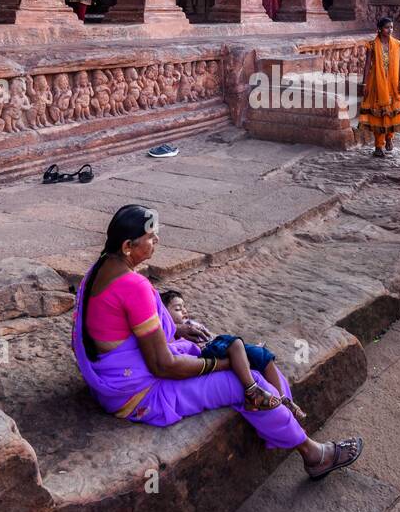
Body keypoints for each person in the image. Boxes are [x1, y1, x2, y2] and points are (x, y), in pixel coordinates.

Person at [71, 205, 362, 480]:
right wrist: (226, 364)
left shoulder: (99, 269)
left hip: (114, 383)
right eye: (151, 236)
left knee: (243, 361)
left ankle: (289, 420)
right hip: (139, 396)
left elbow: (121, 328)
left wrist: (177, 331)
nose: (157, 240)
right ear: (127, 246)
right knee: (246, 383)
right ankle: (313, 455)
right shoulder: (134, 286)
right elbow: (163, 365)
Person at [162, 290, 305, 420]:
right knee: (237, 345)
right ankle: (253, 393)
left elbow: (211, 337)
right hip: (206, 357)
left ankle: (283, 399)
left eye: (184, 307)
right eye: (178, 309)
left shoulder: (191, 324)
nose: (184, 312)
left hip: (217, 347)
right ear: (164, 314)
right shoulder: (167, 335)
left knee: (262, 355)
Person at [358, 17, 400, 157]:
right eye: (387, 27)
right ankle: (378, 146)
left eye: (392, 27)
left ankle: (389, 138)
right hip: (376, 83)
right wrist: (364, 83)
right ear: (380, 29)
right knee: (379, 114)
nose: (390, 30)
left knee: (392, 112)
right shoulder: (372, 45)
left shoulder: (396, 44)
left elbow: (399, 64)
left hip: (393, 83)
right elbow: (367, 65)